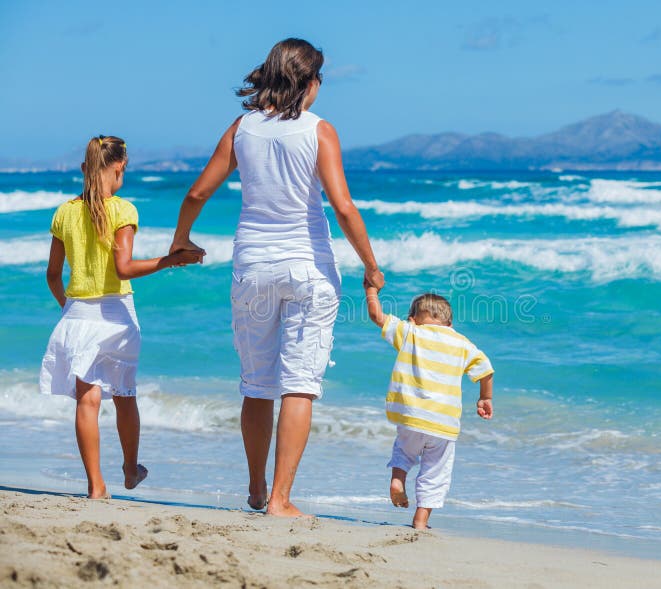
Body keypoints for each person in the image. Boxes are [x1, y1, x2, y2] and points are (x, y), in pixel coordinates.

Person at [169, 38, 384, 516]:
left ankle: (256, 489)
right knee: (299, 383)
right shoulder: (319, 130)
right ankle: (281, 500)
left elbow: (198, 192)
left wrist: (181, 240)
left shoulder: (242, 128)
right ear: (308, 82)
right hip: (308, 269)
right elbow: (344, 208)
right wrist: (370, 264)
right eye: (319, 78)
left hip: (253, 267)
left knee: (256, 383)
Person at [40, 135, 204, 499]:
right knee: (124, 395)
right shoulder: (123, 210)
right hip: (116, 316)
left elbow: (53, 275)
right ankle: (130, 469)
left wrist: (68, 307)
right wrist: (171, 260)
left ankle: (96, 486)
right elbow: (124, 268)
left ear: (85, 168)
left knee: (88, 399)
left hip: (77, 314)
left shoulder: (64, 212)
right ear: (119, 168)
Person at [364, 287, 494, 529]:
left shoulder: (410, 332)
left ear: (412, 318)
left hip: (411, 417)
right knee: (435, 472)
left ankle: (398, 480)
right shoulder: (462, 343)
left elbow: (376, 315)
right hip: (443, 423)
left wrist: (370, 290)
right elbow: (485, 369)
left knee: (404, 451)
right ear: (450, 322)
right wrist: (485, 397)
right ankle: (421, 521)